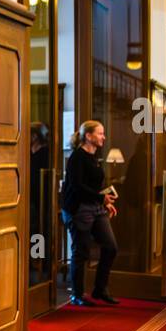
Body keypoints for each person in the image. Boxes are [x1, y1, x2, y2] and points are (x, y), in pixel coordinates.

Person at [60, 120, 120, 307]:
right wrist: (101, 199)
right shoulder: (77, 157)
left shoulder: (94, 157)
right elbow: (77, 187)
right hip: (78, 208)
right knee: (81, 252)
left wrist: (104, 202)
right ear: (88, 136)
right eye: (100, 133)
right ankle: (77, 295)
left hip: (95, 207)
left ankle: (100, 289)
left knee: (110, 247)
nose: (104, 137)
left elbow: (94, 185)